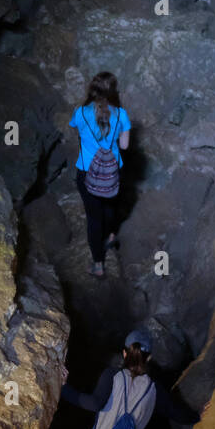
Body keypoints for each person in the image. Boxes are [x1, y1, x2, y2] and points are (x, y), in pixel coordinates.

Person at [61, 329, 208, 429]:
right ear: (149, 357)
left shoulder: (112, 375)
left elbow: (94, 403)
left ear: (124, 353)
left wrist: (64, 388)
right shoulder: (154, 388)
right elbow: (176, 413)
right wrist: (197, 416)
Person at [69, 71, 132, 278]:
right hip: (113, 169)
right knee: (111, 205)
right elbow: (124, 145)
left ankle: (98, 265)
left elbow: (76, 132)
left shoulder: (80, 113)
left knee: (93, 219)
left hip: (87, 171)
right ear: (114, 91)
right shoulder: (121, 115)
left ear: (92, 89)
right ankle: (111, 234)